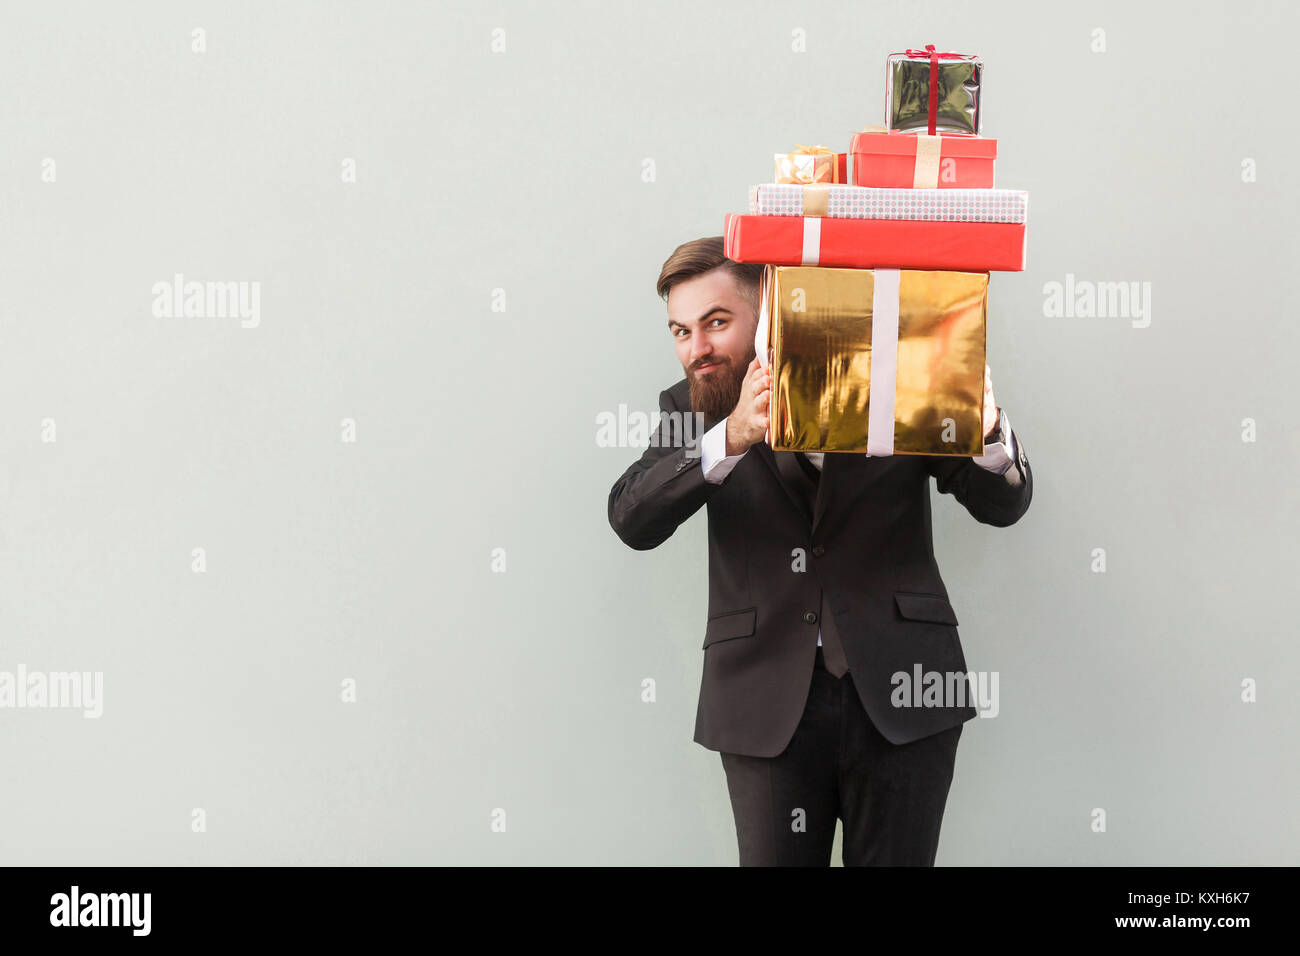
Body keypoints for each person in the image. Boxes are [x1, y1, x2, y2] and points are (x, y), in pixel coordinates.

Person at [607, 236, 1033, 866]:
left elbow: (1001, 505)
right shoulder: (691, 408)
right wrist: (730, 437)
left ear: (771, 310)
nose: (697, 350)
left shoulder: (897, 374)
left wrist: (987, 431)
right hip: (762, 701)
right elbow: (632, 516)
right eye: (680, 331)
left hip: (906, 691)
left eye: (717, 323)